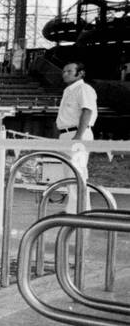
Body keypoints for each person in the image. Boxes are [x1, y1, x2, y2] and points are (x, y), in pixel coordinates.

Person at [56, 62, 98, 213]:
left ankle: (80, 211)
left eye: (69, 71)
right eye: (64, 71)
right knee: (69, 172)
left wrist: (78, 136)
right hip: (68, 134)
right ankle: (73, 209)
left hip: (78, 134)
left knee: (78, 171)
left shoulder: (84, 89)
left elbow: (87, 111)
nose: (65, 74)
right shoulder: (69, 90)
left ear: (80, 73)